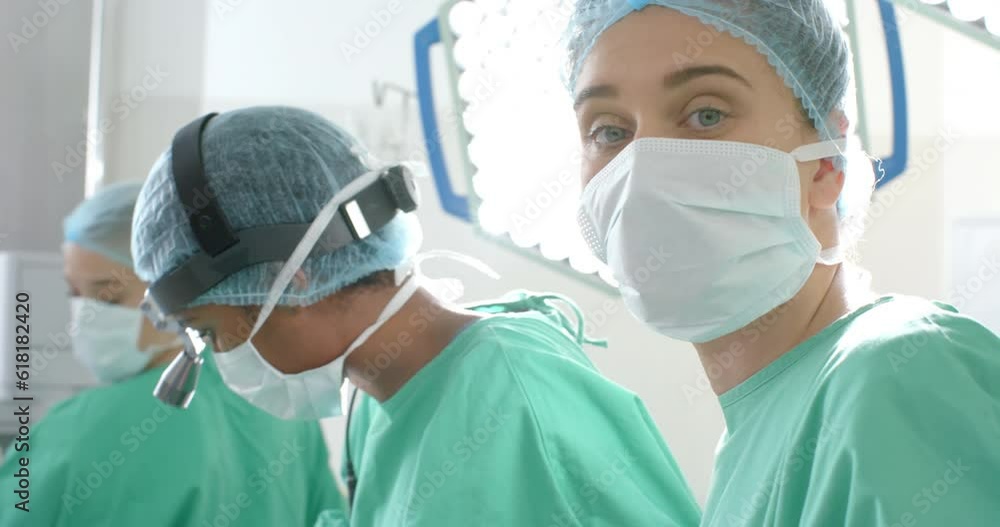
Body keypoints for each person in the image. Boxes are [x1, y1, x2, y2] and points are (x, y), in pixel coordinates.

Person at [130, 105, 703, 526]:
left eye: (208, 332)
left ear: (287, 281)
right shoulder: (377, 395)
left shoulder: (513, 393)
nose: (219, 357)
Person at [568, 1, 1000, 525]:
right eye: (610, 132)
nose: (644, 169)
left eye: (707, 114)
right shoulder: (753, 439)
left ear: (825, 162)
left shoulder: (895, 373)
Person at [0, 182, 344, 527]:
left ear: (178, 291)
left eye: (107, 298)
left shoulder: (70, 432)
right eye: (74, 294)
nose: (84, 317)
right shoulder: (277, 402)